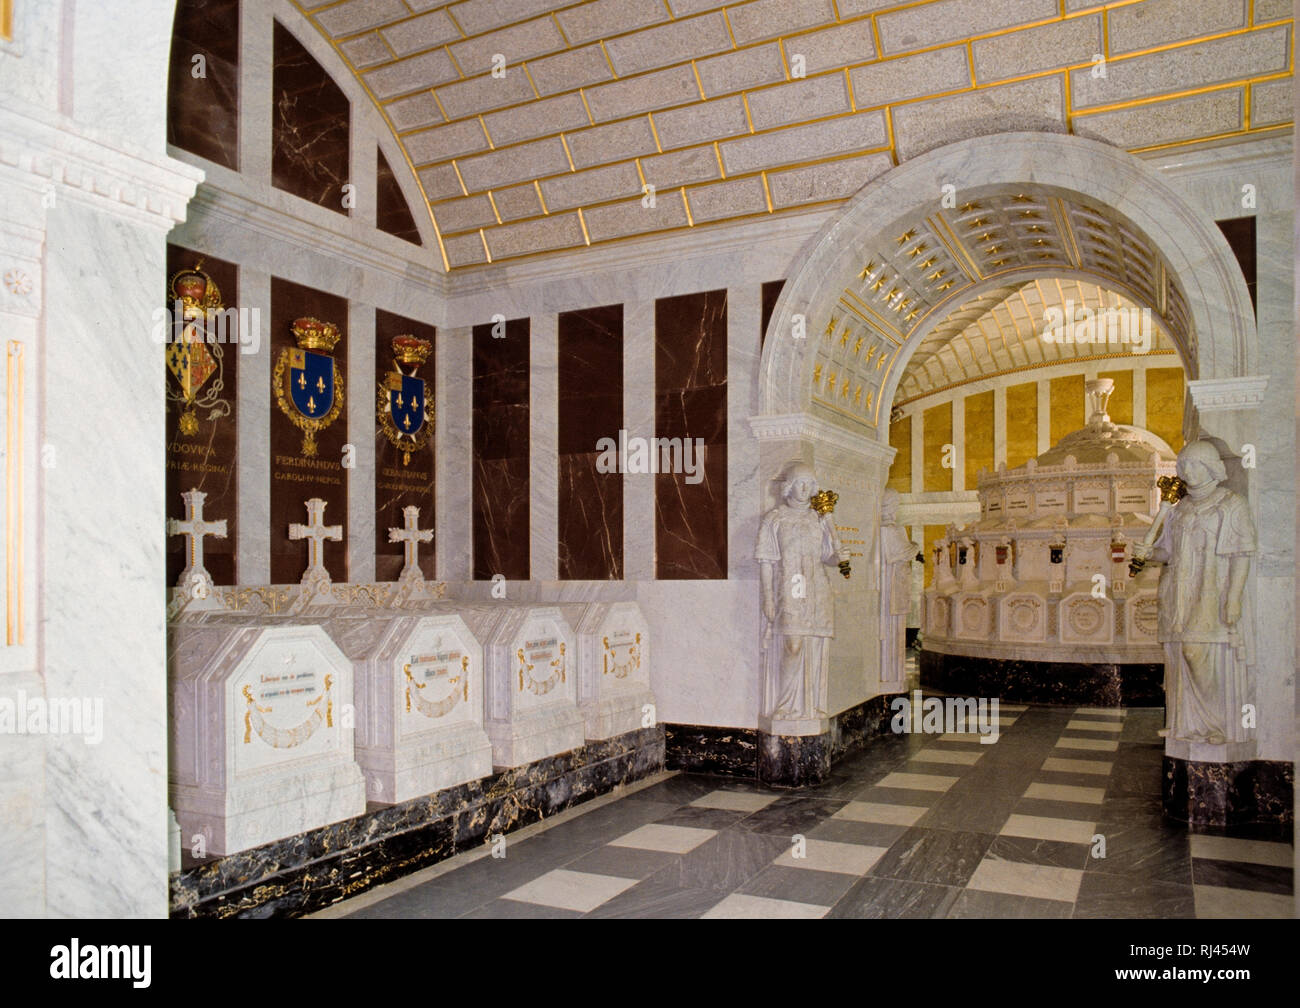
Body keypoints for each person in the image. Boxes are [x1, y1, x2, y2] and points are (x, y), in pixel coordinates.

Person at [1132, 441, 1256, 745]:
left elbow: (1241, 553)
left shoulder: (1230, 504)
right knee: (1177, 656)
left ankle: (1217, 724)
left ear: (1211, 467)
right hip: (1177, 592)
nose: (1186, 471)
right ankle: (1183, 725)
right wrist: (1148, 554)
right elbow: (1167, 552)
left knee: (1196, 653)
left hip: (1210, 591)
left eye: (1193, 464)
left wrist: (1234, 598)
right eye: (1183, 465)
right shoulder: (1180, 509)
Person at [755, 460, 851, 720]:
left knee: (815, 647)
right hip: (789, 590)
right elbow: (766, 561)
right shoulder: (775, 519)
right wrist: (768, 599)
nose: (804, 489)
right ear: (789, 486)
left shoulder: (819, 519)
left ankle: (812, 705)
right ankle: (785, 705)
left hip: (817, 590)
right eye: (800, 483)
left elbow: (827, 557)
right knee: (793, 645)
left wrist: (839, 557)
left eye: (809, 484)